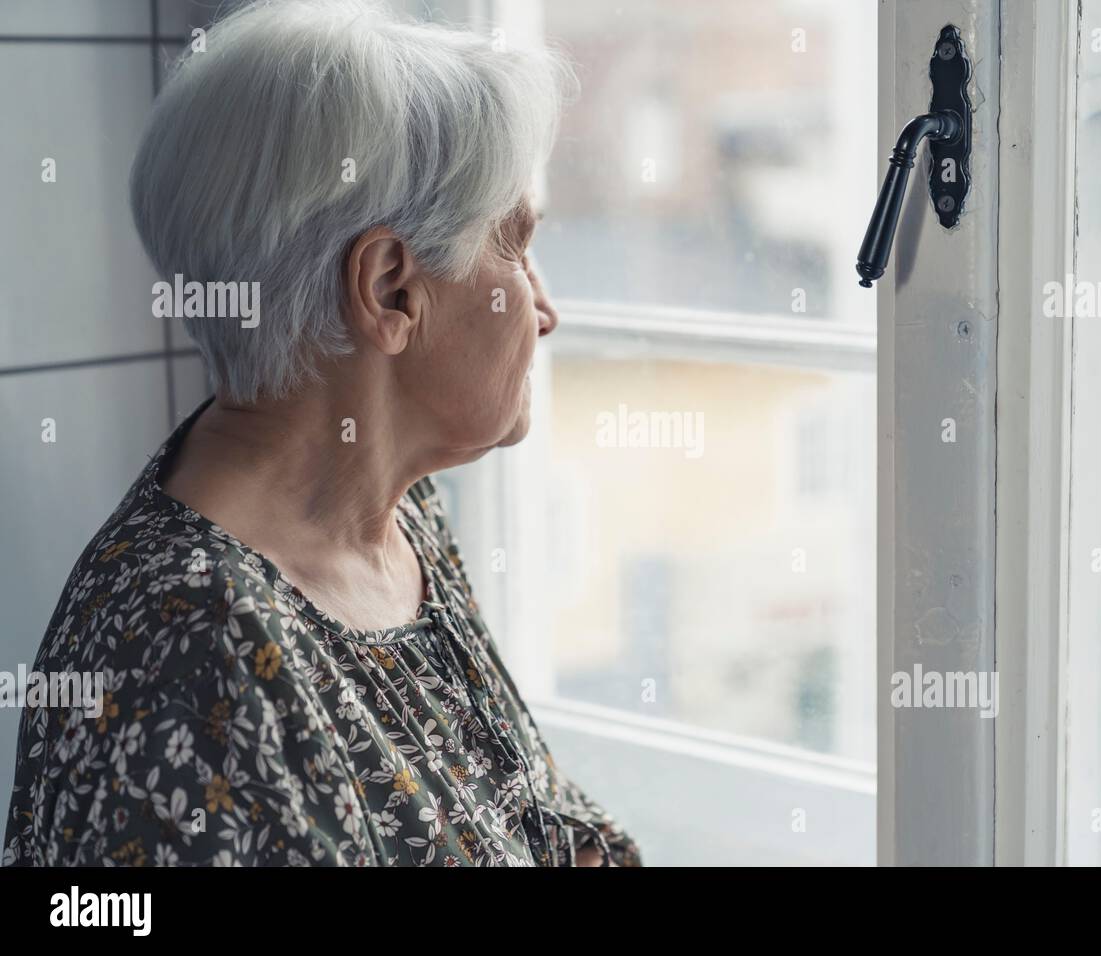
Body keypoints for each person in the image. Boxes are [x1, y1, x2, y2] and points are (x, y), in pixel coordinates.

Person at [2, 0, 640, 868]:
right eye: (516, 250)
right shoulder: (191, 646)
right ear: (389, 290)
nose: (546, 311)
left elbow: (541, 826)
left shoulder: (394, 519)